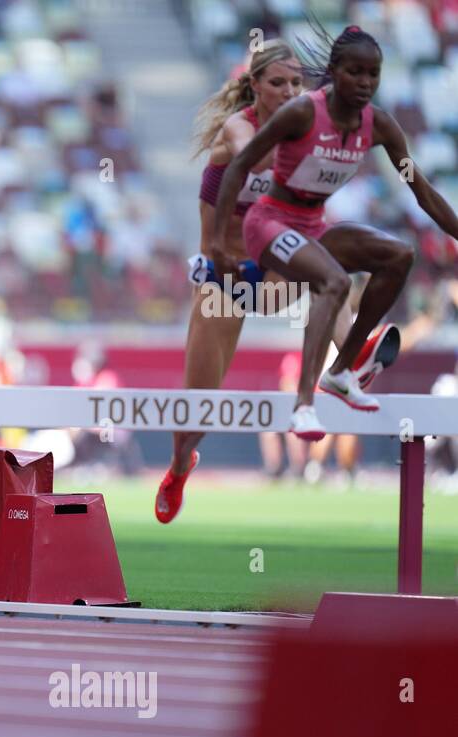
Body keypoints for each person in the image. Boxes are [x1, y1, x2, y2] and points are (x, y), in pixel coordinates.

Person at [156, 40, 399, 522]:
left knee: (329, 267)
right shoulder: (238, 127)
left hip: (276, 269)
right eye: (278, 83)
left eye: (296, 83)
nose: (290, 91)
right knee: (196, 411)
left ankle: (352, 353)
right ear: (255, 86)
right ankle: (181, 465)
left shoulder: (309, 125)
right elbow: (259, 158)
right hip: (224, 279)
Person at [212, 24, 458, 444]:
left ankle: (342, 371)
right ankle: (304, 406)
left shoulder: (380, 126)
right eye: (354, 72)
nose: (365, 83)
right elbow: (239, 166)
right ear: (334, 71)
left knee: (399, 256)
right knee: (335, 283)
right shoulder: (303, 112)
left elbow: (421, 191)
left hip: (313, 227)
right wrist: (217, 242)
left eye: (373, 74)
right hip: (269, 222)